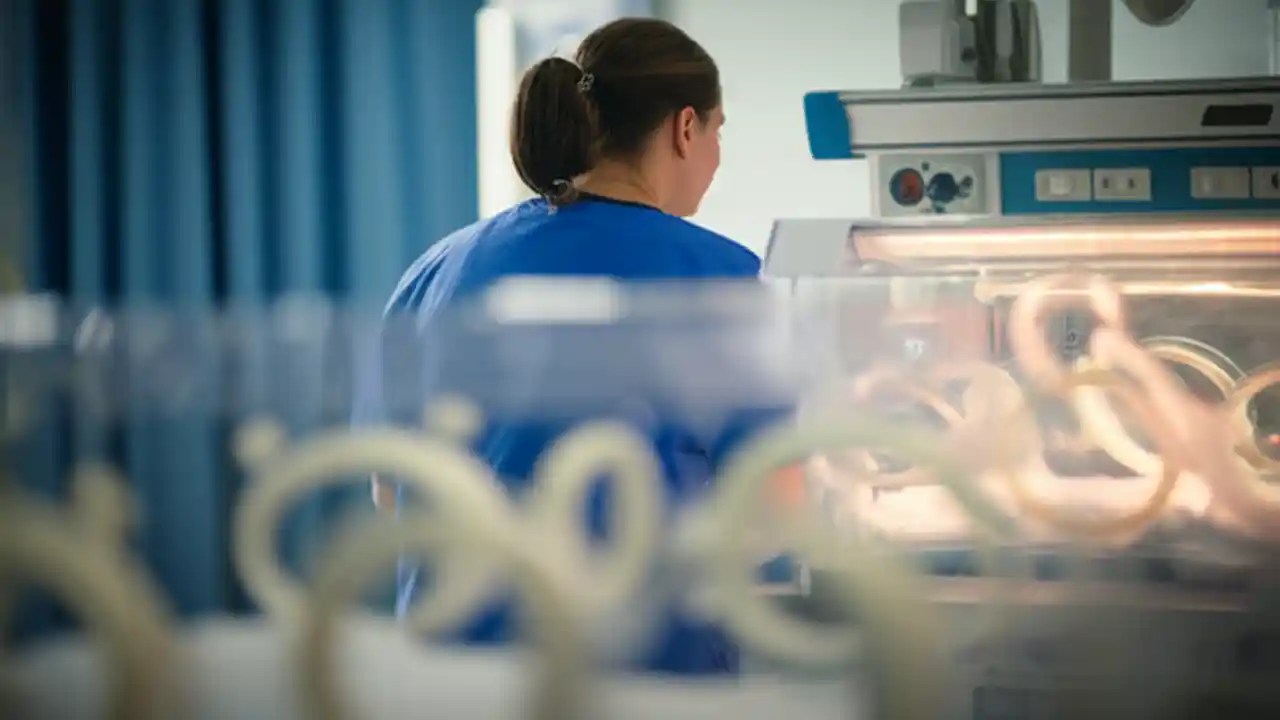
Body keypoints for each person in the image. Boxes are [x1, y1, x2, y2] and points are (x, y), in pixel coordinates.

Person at [365, 17, 784, 676]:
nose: (716, 152)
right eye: (717, 129)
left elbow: (392, 493)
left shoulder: (437, 268)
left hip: (456, 673)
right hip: (643, 673)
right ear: (684, 129)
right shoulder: (717, 278)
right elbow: (770, 514)